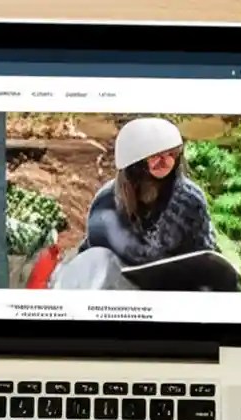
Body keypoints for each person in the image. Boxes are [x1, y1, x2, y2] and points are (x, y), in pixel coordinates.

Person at [52, 117, 224, 290]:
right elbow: (92, 256)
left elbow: (205, 260)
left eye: (171, 154)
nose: (165, 162)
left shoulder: (189, 200)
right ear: (134, 160)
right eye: (155, 155)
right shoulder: (106, 203)